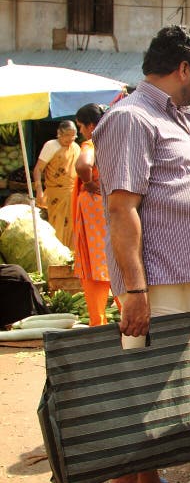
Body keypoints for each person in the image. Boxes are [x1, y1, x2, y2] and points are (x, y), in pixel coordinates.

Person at [93, 24, 190, 483]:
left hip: (179, 272)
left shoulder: (173, 115)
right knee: (154, 378)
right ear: (184, 68)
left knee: (157, 374)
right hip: (157, 276)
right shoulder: (132, 118)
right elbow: (121, 209)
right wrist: (135, 290)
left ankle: (138, 478)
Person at [71, 103, 112, 326]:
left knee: (95, 265)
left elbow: (84, 164)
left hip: (94, 210)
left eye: (80, 126)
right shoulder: (113, 141)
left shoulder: (91, 142)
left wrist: (87, 182)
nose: (80, 132)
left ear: (89, 125)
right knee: (115, 264)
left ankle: (99, 322)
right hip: (111, 206)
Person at [32, 120, 80, 248]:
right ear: (59, 133)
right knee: (57, 227)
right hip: (56, 195)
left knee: (74, 228)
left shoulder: (76, 147)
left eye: (73, 136)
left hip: (73, 193)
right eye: (67, 135)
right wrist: (39, 191)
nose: (70, 139)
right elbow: (38, 169)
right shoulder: (51, 146)